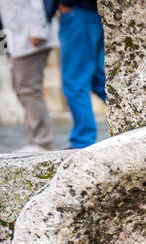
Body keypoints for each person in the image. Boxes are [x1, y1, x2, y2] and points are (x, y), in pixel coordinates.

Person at [0, 0, 57, 151]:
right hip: (17, 39)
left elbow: (37, 3)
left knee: (29, 88)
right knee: (22, 88)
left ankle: (42, 142)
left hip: (31, 38)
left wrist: (38, 31)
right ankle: (36, 139)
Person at [46, 0, 105, 148]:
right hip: (95, 13)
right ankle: (139, 119)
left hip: (76, 12)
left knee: (75, 82)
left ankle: (82, 141)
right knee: (99, 79)